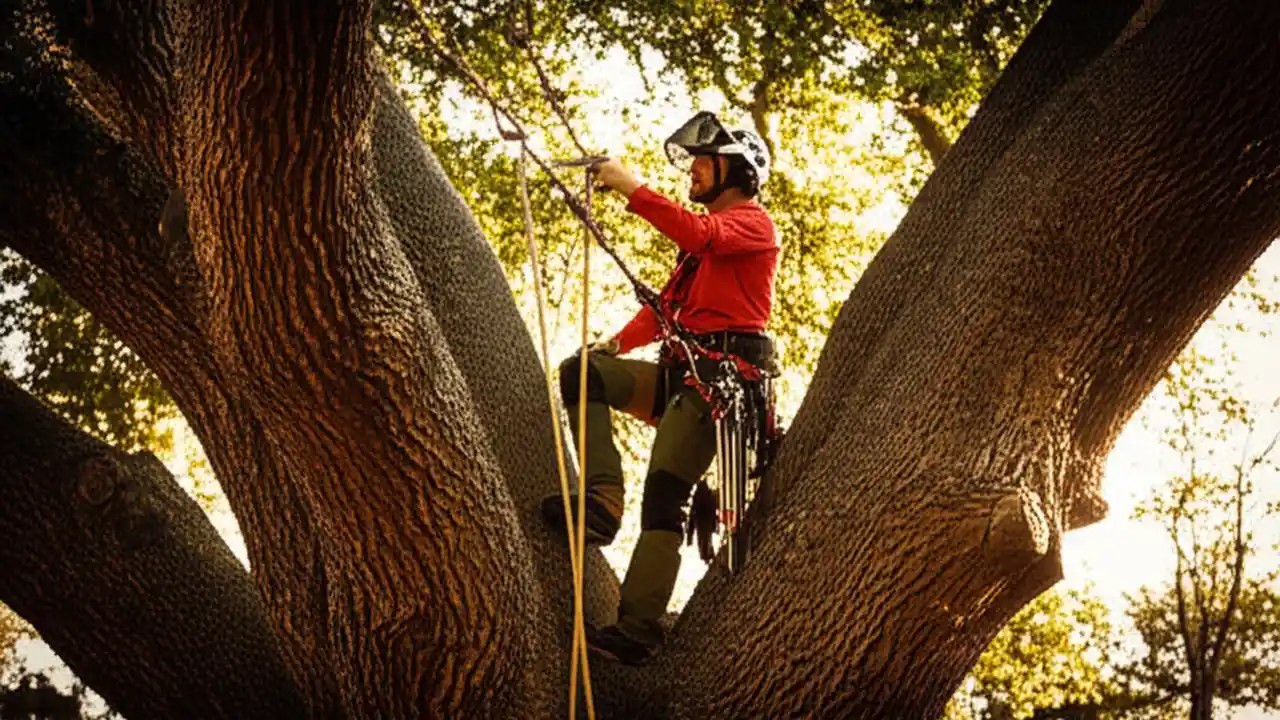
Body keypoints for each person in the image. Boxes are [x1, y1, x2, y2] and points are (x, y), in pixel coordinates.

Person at [542, 112, 779, 664]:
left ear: (735, 171)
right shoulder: (699, 254)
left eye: (703, 162)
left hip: (719, 387)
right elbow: (665, 312)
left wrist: (628, 186)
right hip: (680, 371)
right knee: (582, 374)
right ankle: (601, 501)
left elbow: (697, 230)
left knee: (664, 499)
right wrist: (617, 346)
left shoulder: (753, 223)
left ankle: (637, 629)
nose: (693, 173)